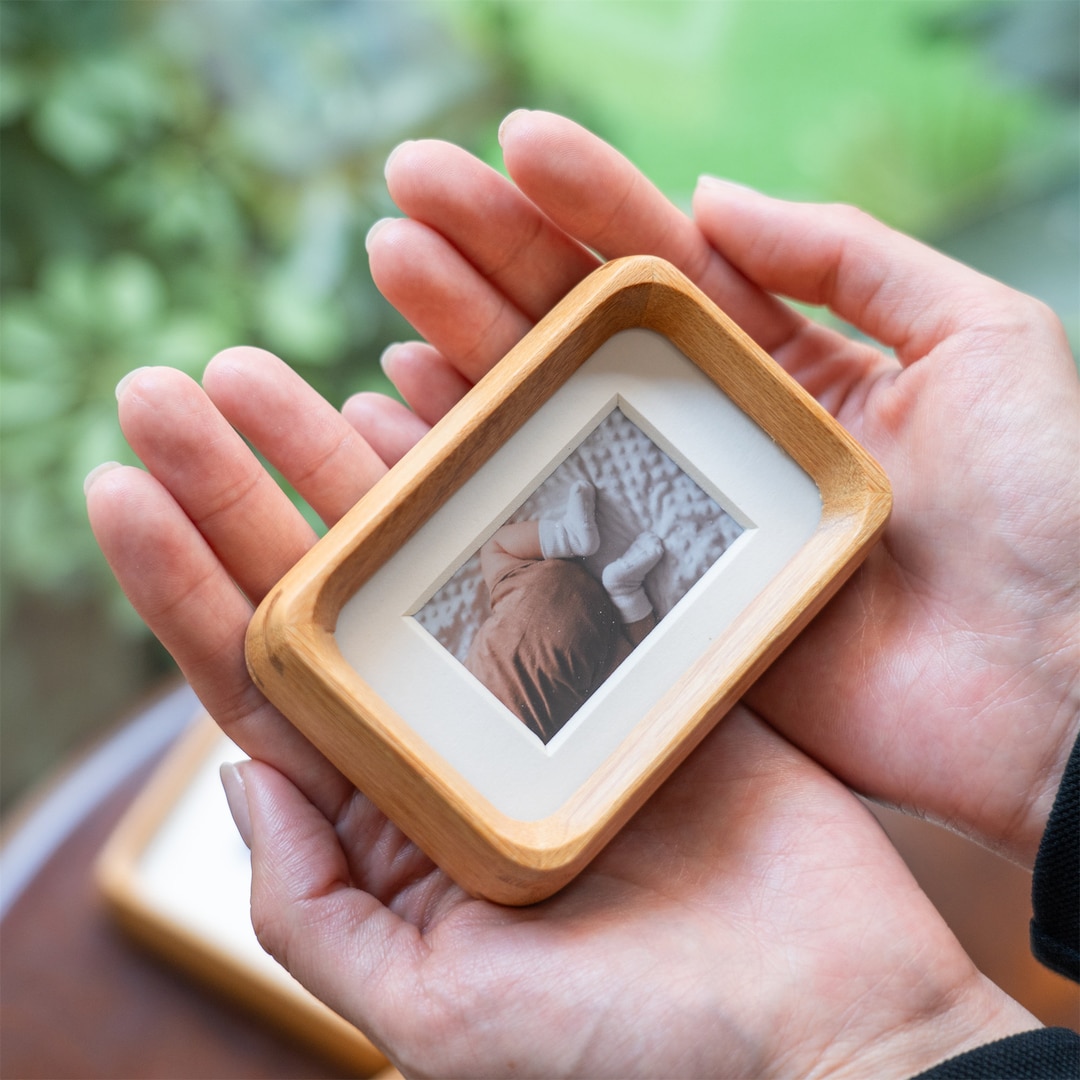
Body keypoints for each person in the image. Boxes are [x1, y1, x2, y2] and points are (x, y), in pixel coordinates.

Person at [86, 110, 1078, 1077]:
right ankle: (617, 588)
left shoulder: (562, 601)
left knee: (573, 601)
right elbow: (503, 572)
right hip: (549, 656)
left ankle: (622, 592)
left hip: (565, 658)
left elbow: (548, 600)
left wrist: (873, 1050)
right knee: (547, 590)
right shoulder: (532, 579)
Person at [464, 479, 664, 742]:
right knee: (493, 548)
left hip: (587, 644)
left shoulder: (528, 746)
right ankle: (568, 536)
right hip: (533, 585)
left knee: (636, 669)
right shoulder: (462, 696)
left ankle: (624, 589)